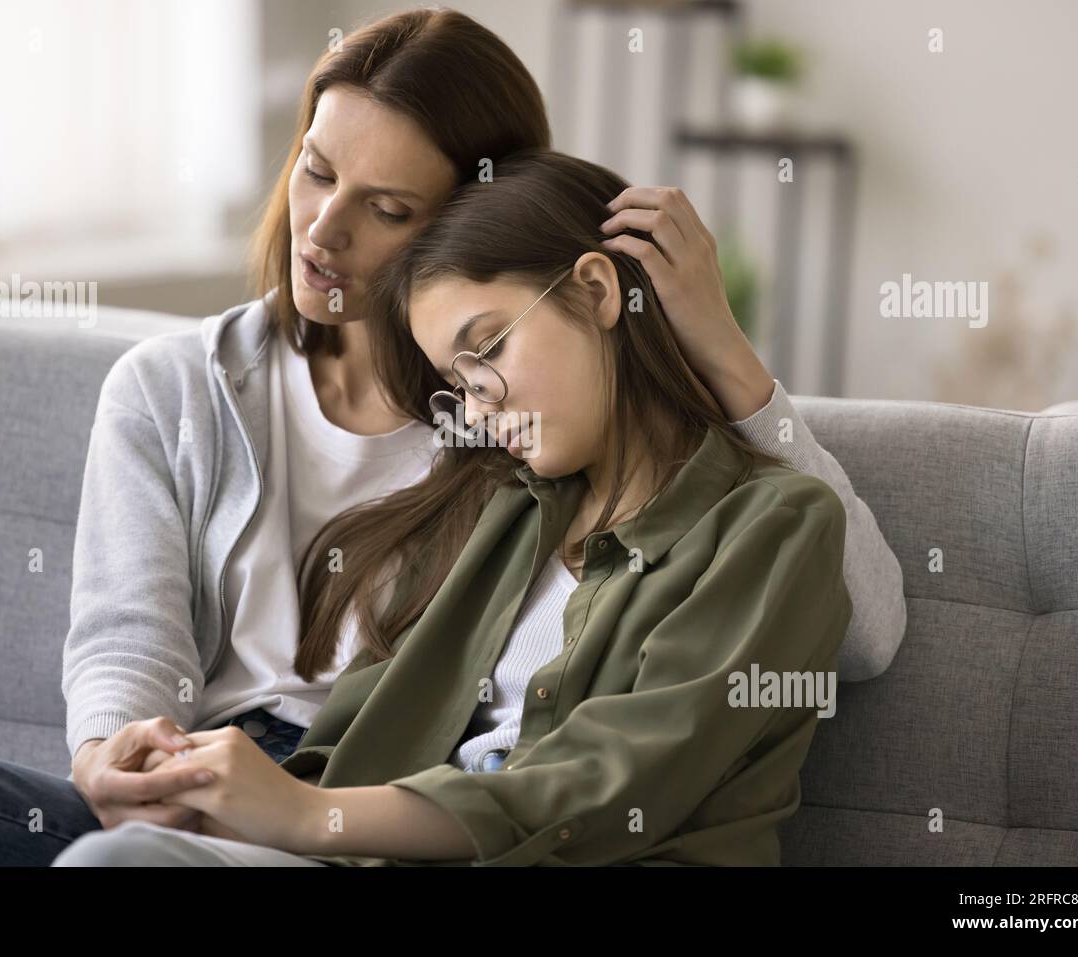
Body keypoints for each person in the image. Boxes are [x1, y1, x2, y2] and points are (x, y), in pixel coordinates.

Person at [0, 8, 902, 867]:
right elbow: (134, 639)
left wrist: (720, 349)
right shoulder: (196, 391)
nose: (323, 229)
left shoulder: (526, 451)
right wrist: (125, 759)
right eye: (315, 171)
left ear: (467, 218)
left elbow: (845, 614)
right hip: (279, 783)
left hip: (362, 808)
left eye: (389, 209)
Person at [54, 149, 854, 867]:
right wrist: (211, 794)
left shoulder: (777, 526)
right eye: (459, 382)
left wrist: (305, 815)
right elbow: (363, 722)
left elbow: (610, 785)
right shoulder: (504, 506)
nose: (478, 408)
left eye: (490, 349)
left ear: (595, 290)